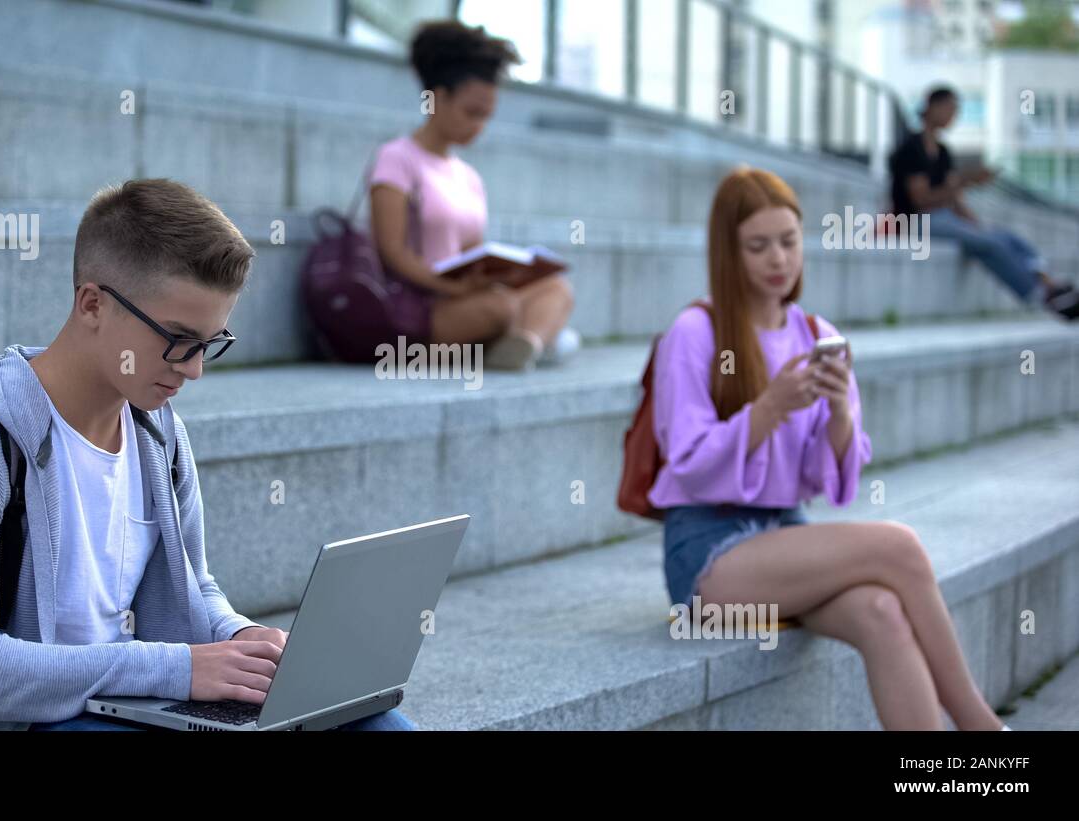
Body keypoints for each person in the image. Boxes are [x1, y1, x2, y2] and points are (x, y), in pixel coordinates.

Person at [0, 179, 414, 731]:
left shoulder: (159, 433)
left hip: (122, 705)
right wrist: (173, 669)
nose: (194, 368)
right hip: (11, 723)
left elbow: (193, 585)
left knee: (381, 728)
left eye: (209, 343)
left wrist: (240, 638)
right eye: (177, 339)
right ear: (92, 304)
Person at [648, 167, 1010, 730]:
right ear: (728, 251)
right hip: (709, 560)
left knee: (882, 611)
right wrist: (768, 408)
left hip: (785, 539)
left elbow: (829, 481)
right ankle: (982, 730)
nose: (778, 260)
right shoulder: (696, 333)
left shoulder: (815, 334)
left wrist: (840, 412)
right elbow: (689, 463)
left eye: (789, 242)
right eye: (758, 246)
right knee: (900, 547)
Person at [369, 19, 578, 371]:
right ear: (435, 98)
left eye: (487, 116)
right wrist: (454, 290)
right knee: (500, 309)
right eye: (471, 113)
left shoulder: (468, 177)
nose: (479, 125)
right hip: (419, 306)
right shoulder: (396, 159)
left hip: (464, 298)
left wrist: (501, 276)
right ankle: (536, 340)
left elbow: (473, 255)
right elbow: (393, 253)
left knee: (555, 289)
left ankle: (524, 344)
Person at [889, 86, 1079, 320]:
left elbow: (953, 199)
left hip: (944, 218)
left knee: (1006, 237)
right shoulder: (911, 148)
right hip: (915, 222)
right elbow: (921, 200)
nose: (953, 115)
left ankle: (1049, 281)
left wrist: (974, 222)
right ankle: (1041, 296)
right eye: (949, 108)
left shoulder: (943, 151)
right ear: (931, 107)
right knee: (991, 244)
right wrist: (964, 181)